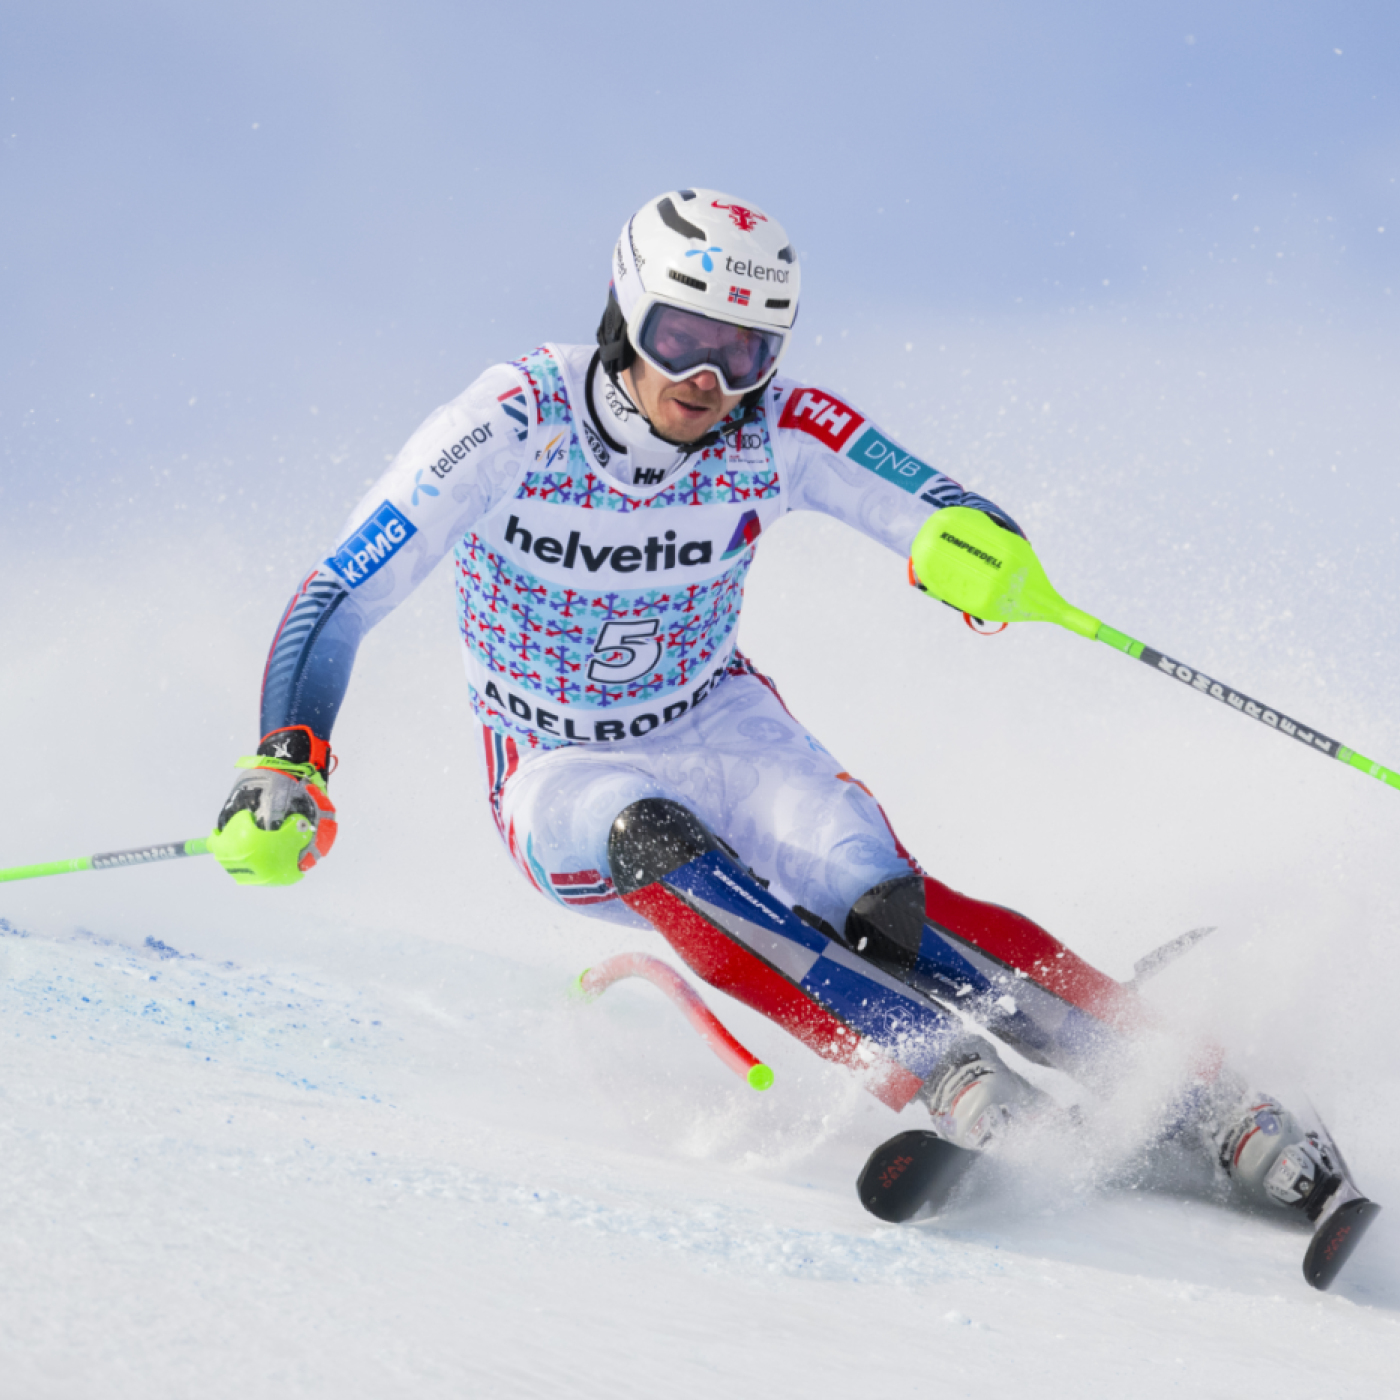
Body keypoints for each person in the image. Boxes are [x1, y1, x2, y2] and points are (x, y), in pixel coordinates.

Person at [208, 189, 1336, 1221]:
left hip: (718, 724)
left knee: (880, 898)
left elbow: (931, 501)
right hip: (553, 761)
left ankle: (1204, 1099)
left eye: (742, 349)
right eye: (681, 338)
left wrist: (974, 549)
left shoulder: (776, 424)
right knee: (650, 838)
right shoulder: (512, 418)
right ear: (622, 315)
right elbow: (341, 590)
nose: (709, 376)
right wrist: (287, 756)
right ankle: (942, 1070)